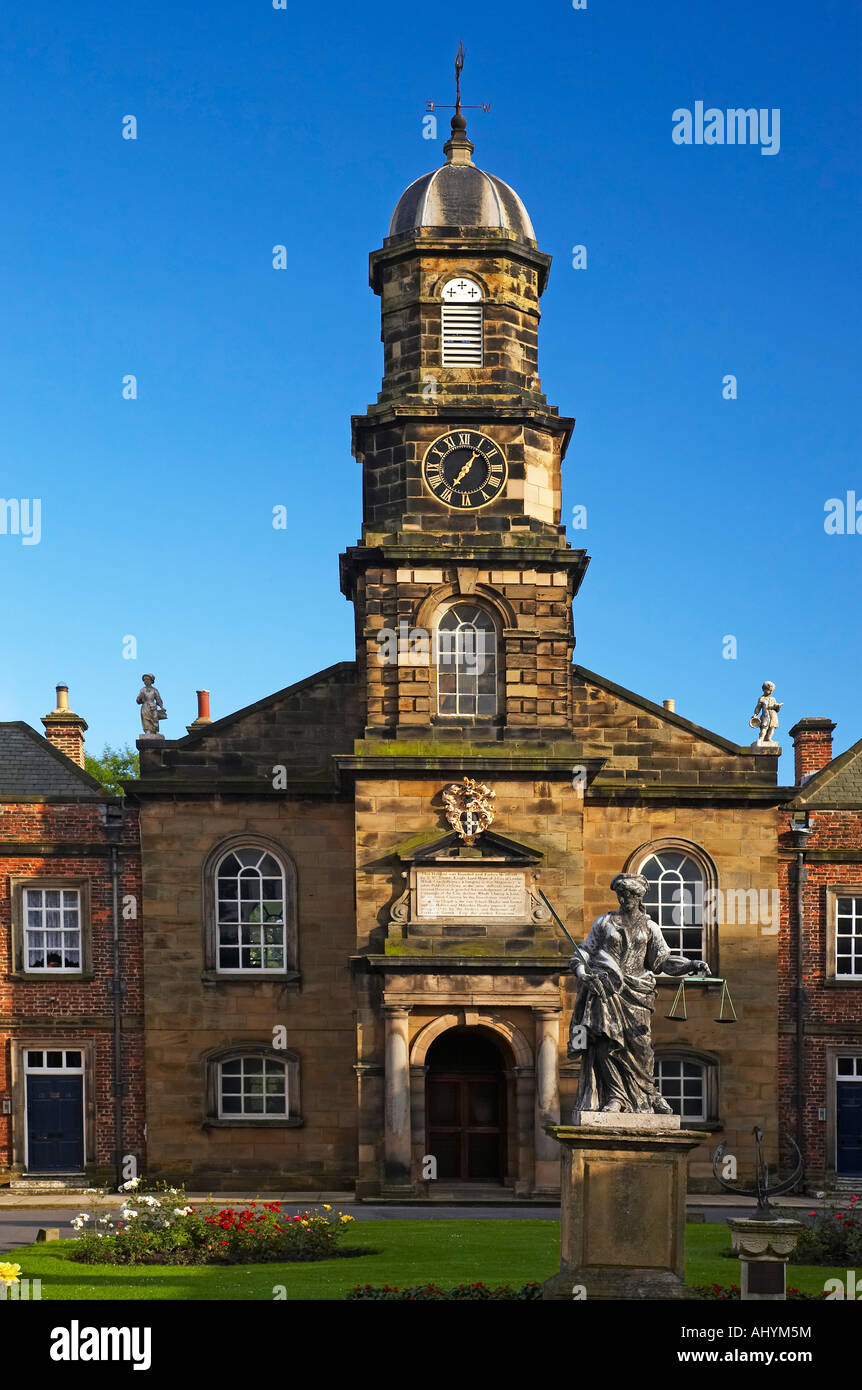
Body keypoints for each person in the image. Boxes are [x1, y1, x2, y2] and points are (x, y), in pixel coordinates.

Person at [568, 873, 710, 1114]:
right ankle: (616, 1096)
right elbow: (584, 951)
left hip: (637, 993)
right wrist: (581, 971)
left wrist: (691, 965)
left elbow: (662, 960)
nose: (626, 898)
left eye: (632, 894)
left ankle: (648, 1094)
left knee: (640, 1045)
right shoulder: (604, 922)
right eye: (622, 893)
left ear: (640, 896)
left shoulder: (650, 927)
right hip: (607, 991)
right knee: (605, 1042)